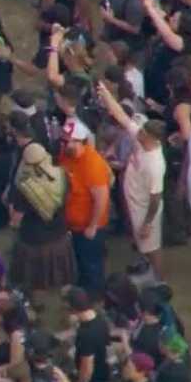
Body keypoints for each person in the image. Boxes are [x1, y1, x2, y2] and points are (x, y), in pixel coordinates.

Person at [98, 81, 167, 278]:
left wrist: (147, 223)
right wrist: (105, 94)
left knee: (152, 248)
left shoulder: (155, 164)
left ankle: (159, 280)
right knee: (139, 243)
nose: (139, 134)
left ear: (155, 139)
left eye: (144, 134)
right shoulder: (141, 138)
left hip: (145, 209)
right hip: (132, 201)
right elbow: (120, 115)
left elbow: (155, 197)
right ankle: (143, 264)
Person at [59, 117, 112, 295]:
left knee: (92, 263)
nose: (65, 144)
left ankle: (94, 295)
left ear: (80, 141)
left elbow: (101, 199)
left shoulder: (93, 164)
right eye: (64, 140)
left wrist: (93, 226)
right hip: (72, 223)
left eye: (68, 141)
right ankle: (82, 288)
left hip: (88, 226)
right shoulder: (66, 155)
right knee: (80, 260)